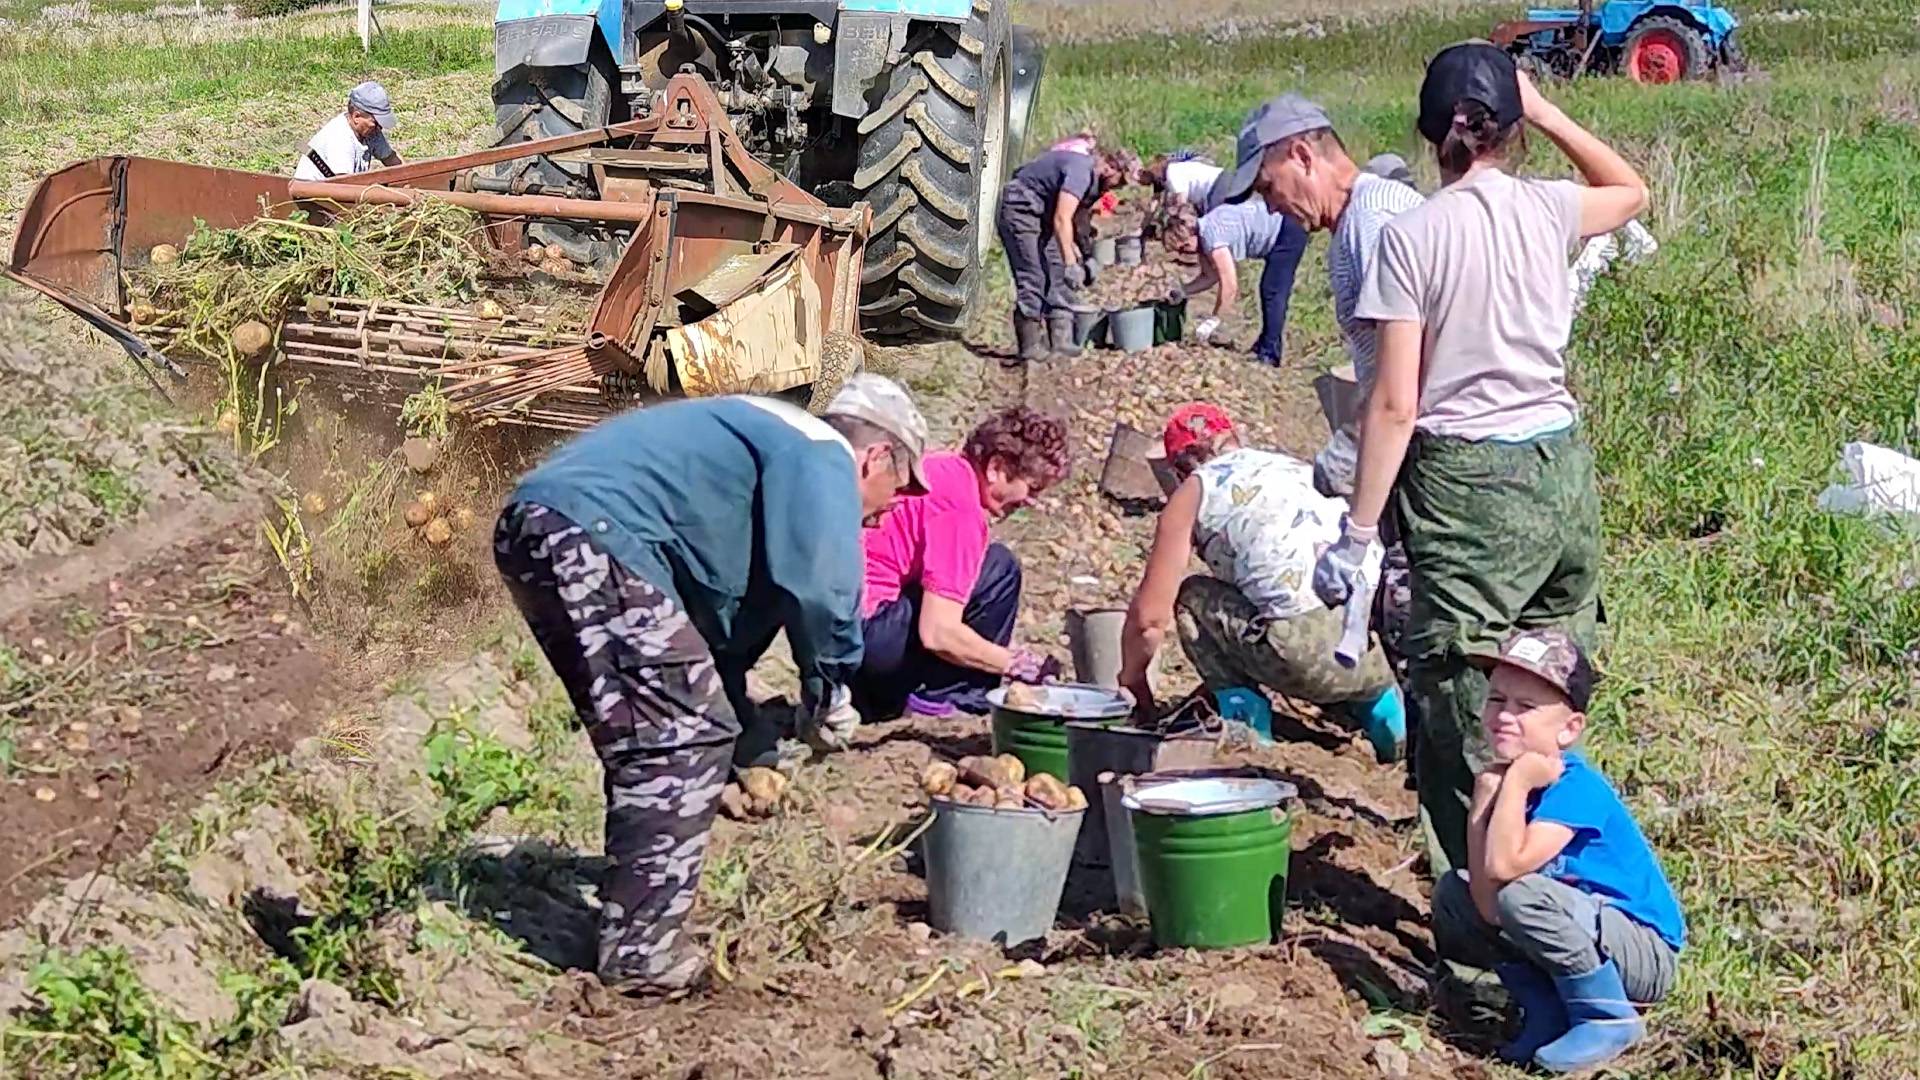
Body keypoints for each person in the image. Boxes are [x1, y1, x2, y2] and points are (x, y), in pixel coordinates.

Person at [1311, 43, 1649, 877]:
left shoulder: (1411, 237)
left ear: (1429, 134)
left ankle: (1484, 950)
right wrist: (1549, 110)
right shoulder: (1546, 208)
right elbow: (1632, 189)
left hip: (1469, 491)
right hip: (1561, 476)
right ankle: (1563, 884)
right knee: (1547, 700)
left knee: (1467, 718)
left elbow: (1394, 404)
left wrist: (1357, 533)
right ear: (1511, 128)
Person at [493, 374, 928, 996]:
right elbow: (824, 587)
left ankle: (639, 917)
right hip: (592, 532)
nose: (889, 512)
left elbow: (706, 654)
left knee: (664, 732)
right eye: (900, 488)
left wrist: (747, 748)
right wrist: (830, 687)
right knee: (677, 740)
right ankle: (640, 956)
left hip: (545, 527)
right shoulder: (820, 451)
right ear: (875, 456)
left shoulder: (757, 453)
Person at [1431, 628, 1683, 1072]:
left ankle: (1605, 1015)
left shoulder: (1577, 787)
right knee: (1456, 893)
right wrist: (1482, 809)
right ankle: (1546, 1012)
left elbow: (1507, 867)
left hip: (1643, 954)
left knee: (1522, 893)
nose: (1504, 715)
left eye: (1525, 707)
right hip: (1580, 929)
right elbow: (1488, 908)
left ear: (1569, 729)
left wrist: (1520, 780)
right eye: (1496, 700)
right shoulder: (1509, 783)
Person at [1116, 403, 1405, 763]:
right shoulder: (1289, 465)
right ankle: (1384, 709)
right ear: (1235, 438)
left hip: (1306, 660)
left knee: (1191, 597)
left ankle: (1247, 722)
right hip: (1379, 654)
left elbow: (1149, 620)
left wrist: (1134, 681)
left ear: (1177, 469)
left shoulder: (1192, 492)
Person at [854, 407, 1073, 719]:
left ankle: (887, 701)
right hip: (870, 639)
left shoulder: (939, 466)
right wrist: (1015, 664)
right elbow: (938, 632)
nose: (1031, 502)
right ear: (997, 467)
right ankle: (954, 699)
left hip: (846, 632)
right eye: (1032, 487)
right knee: (999, 569)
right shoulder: (961, 509)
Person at [997, 146, 1138, 363]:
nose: (1120, 188)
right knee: (1034, 276)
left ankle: (1060, 339)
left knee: (1056, 270)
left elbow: (1079, 221)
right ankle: (1030, 346)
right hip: (1020, 209)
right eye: (1121, 181)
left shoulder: (1096, 183)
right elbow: (1062, 219)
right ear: (1110, 168)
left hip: (1044, 212)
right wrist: (1072, 264)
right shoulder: (1080, 172)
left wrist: (1088, 255)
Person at [1177, 198, 1308, 365]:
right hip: (1284, 223)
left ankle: (1270, 354)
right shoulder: (1204, 233)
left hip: (1287, 229)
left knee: (1273, 291)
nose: (1183, 252)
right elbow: (1210, 277)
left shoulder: (1212, 237)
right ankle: (1265, 344)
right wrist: (1183, 291)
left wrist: (1213, 321)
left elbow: (1230, 285)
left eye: (1184, 245)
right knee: (1269, 290)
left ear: (1191, 232)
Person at [294, 81, 403, 181]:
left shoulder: (371, 131)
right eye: (376, 122)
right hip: (316, 195)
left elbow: (392, 160)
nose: (380, 128)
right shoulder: (341, 138)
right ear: (356, 117)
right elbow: (345, 185)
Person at [1141, 151, 1221, 260]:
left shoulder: (1172, 176)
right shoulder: (1171, 171)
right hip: (1217, 182)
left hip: (1215, 187)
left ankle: (1213, 254)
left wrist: (1176, 227)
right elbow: (1154, 203)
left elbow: (1182, 205)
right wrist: (1145, 224)